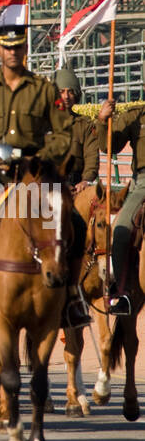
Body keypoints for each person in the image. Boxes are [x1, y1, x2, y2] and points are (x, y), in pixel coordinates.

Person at [0, 26, 82, 330]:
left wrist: (41, 157)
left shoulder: (44, 89)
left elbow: (64, 135)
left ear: (25, 51)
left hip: (37, 180)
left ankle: (72, 296)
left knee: (75, 223)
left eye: (18, 47)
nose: (13, 53)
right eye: (7, 48)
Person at [95, 96, 145, 314]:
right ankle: (121, 291)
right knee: (121, 230)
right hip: (143, 183)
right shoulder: (136, 116)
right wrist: (102, 119)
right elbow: (110, 146)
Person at [53, 69, 99, 186]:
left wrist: (86, 180)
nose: (66, 96)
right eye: (61, 91)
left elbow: (91, 156)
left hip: (75, 183)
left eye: (70, 92)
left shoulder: (84, 125)